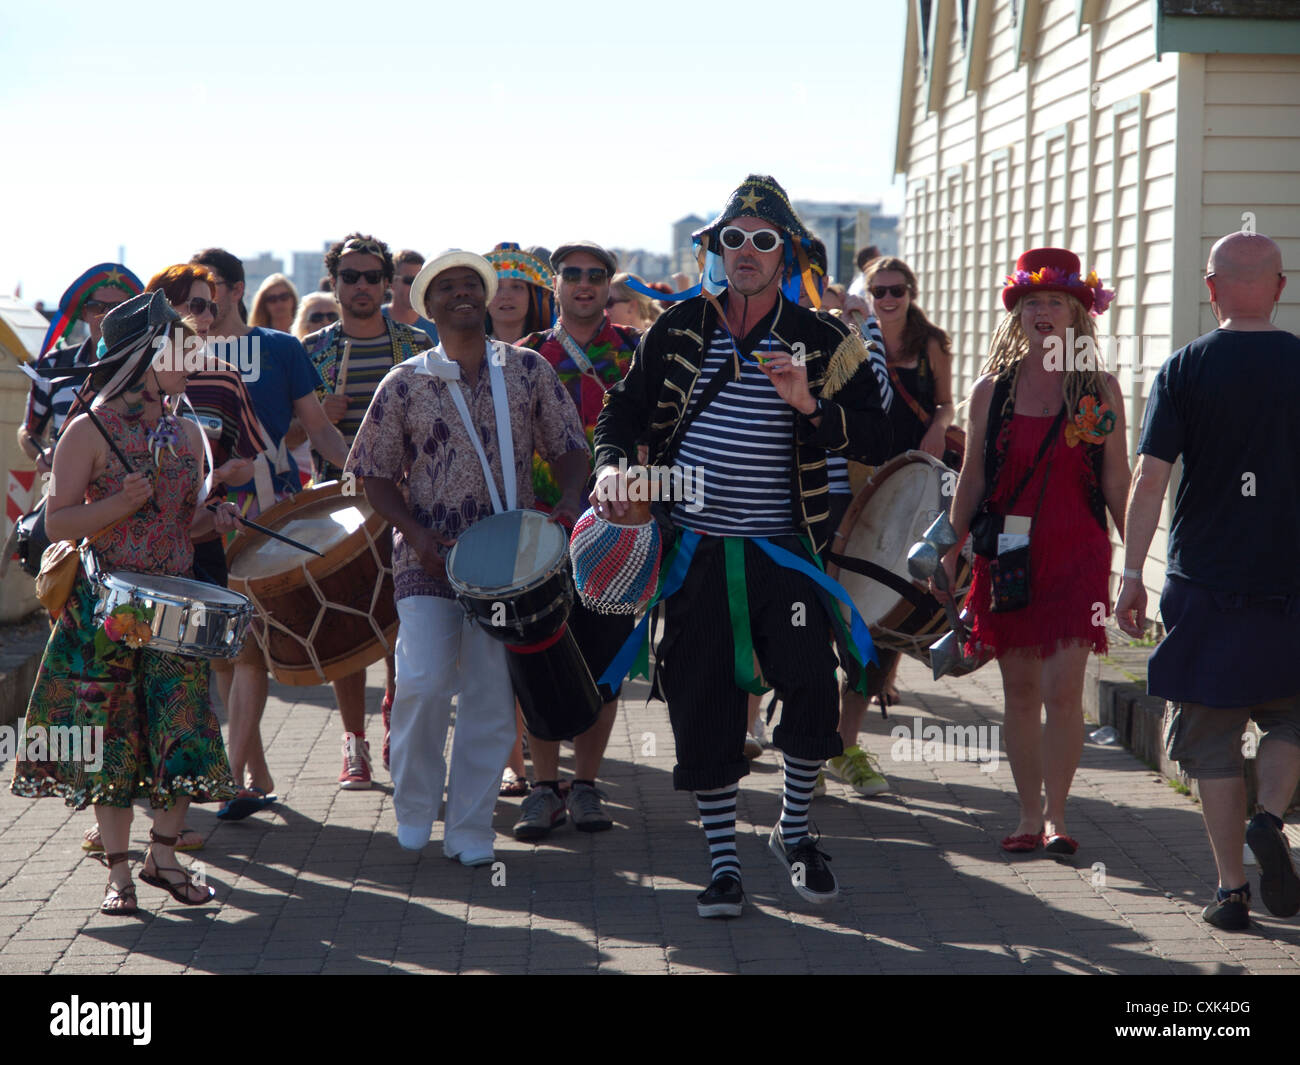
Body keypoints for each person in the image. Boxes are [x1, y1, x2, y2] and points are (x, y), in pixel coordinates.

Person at [592, 175, 893, 918]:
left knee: (811, 686)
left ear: (787, 252)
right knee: (704, 701)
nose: (748, 251)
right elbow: (621, 414)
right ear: (715, 249)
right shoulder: (676, 326)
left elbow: (882, 436)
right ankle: (723, 862)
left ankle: (794, 830)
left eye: (764, 239)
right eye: (734, 238)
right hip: (693, 547)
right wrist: (610, 471)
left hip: (783, 549)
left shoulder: (827, 338)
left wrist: (810, 406)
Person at [346, 249, 589, 865]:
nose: (462, 294)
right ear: (426, 308)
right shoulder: (404, 381)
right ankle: (416, 807)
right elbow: (373, 475)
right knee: (423, 681)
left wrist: (564, 505)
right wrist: (413, 531)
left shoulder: (528, 370)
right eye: (446, 287)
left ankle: (472, 827)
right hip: (425, 561)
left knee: (487, 694)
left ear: (484, 298)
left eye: (471, 285)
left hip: (510, 567)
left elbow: (569, 449)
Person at [11, 291, 242, 915]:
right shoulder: (86, 431)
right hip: (105, 610)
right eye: (179, 352)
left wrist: (211, 518)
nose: (190, 365)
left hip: (173, 611)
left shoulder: (191, 432)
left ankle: (163, 858)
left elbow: (182, 524)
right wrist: (116, 505)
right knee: (111, 742)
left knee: (182, 737)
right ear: (142, 357)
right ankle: (119, 876)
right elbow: (55, 524)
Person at [1116, 232, 1300, 931]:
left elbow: (1150, 477)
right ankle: (1272, 817)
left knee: (1212, 740)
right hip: (1291, 582)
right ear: (1279, 286)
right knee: (1292, 714)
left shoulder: (1186, 367)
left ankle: (1230, 891)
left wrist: (1132, 573)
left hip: (1205, 584)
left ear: (1211, 286)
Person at [937, 248, 1129, 856]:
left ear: (1078, 314)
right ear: (1016, 315)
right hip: (1009, 553)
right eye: (1031, 302)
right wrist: (949, 546)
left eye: (1055, 301)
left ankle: (1058, 816)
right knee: (1019, 692)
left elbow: (1117, 480)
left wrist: (1140, 565)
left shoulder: (1098, 390)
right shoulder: (991, 389)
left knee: (1063, 692)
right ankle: (1025, 814)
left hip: (1077, 553)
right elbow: (970, 479)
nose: (1042, 312)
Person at [192, 247, 349, 818]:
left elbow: (318, 429)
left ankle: (231, 778)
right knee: (219, 650)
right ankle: (254, 775)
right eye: (190, 293)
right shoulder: (176, 353)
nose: (199, 302)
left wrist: (362, 474)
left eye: (209, 289)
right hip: (196, 512)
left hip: (265, 505)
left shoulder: (279, 348)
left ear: (236, 290)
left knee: (250, 643)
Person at [512, 240, 639, 839]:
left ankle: (585, 787)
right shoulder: (524, 357)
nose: (584, 284)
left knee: (604, 657)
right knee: (538, 654)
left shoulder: (642, 354)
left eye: (595, 275)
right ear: (555, 285)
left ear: (609, 285)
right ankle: (543, 787)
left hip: (618, 528)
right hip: (539, 529)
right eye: (572, 275)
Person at [303, 234, 433, 783]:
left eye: (370, 277)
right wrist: (317, 415)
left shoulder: (417, 343)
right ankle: (352, 742)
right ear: (332, 284)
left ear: (387, 283)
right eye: (348, 276)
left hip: (409, 500)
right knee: (349, 625)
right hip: (339, 503)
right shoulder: (311, 351)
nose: (360, 286)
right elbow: (280, 431)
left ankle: (397, 731)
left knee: (406, 623)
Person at [854, 256, 956, 714]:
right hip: (865, 462)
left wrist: (938, 427)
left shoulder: (929, 342)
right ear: (869, 294)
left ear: (911, 293)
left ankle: (885, 674)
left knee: (902, 565)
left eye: (898, 290)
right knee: (863, 556)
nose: (889, 299)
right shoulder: (858, 339)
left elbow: (947, 404)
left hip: (916, 462)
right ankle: (857, 667)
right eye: (880, 291)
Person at [18, 264, 143, 472]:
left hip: (129, 489)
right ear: (84, 313)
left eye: (119, 307)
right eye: (97, 307)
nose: (107, 316)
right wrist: (44, 454)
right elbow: (29, 431)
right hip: (66, 485)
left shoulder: (146, 369)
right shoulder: (55, 365)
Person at [286, 291, 342, 484]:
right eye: (317, 317)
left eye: (332, 316)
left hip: (347, 475)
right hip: (301, 475)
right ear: (305, 323)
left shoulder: (353, 359)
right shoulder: (290, 363)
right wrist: (321, 415)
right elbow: (283, 435)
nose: (325, 321)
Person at [484, 242, 554, 345]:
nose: (506, 296)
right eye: (497, 287)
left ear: (531, 297)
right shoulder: (469, 352)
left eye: (516, 287)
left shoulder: (551, 350)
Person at [382, 248, 439, 343]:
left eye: (420, 280)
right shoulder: (374, 321)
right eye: (409, 280)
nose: (415, 287)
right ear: (391, 282)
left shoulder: (437, 325)